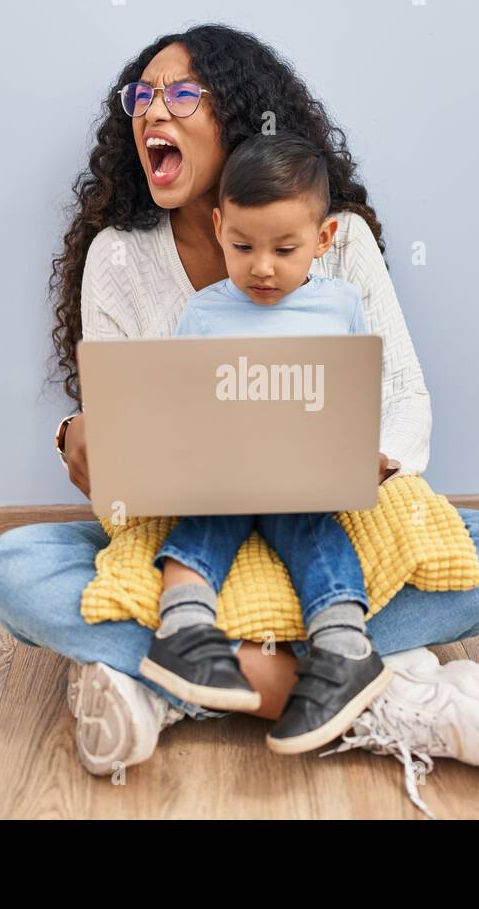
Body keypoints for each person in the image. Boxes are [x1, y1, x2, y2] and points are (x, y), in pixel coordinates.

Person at [0, 24, 479, 810]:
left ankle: (176, 691)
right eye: (141, 98)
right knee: (12, 569)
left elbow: (405, 398)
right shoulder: (118, 255)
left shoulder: (341, 247)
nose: (151, 114)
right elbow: (119, 429)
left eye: (179, 95)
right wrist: (82, 436)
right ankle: (370, 697)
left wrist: (372, 462)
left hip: (327, 523)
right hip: (192, 544)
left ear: (237, 116)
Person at [137, 133, 395, 756]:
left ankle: (343, 649)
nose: (261, 267)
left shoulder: (340, 304)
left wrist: (368, 452)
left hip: (305, 473)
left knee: (311, 524)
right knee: (206, 515)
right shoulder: (202, 314)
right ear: (220, 227)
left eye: (285, 250)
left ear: (324, 240)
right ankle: (186, 634)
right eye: (242, 246)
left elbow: (362, 391)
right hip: (224, 470)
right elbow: (178, 402)